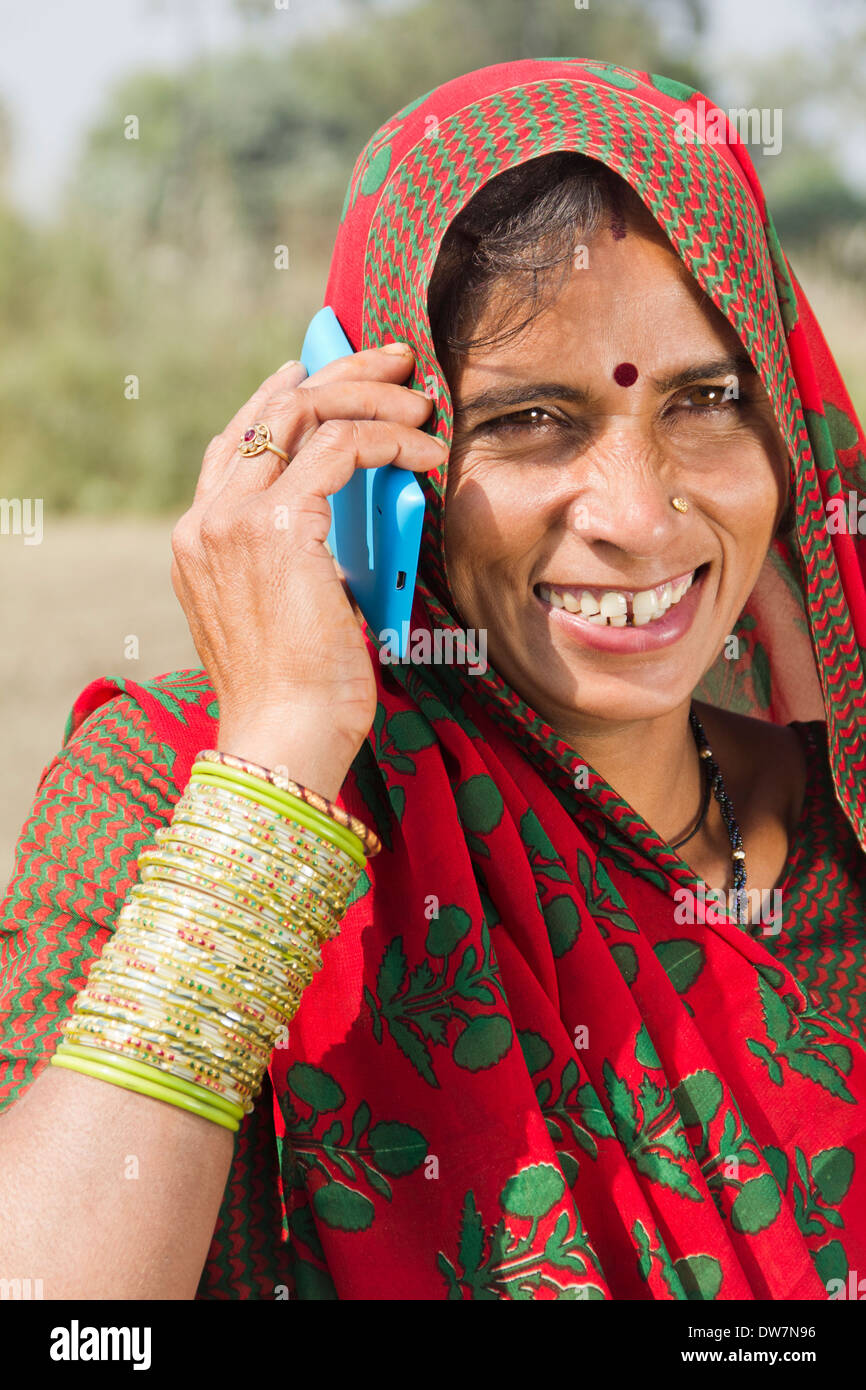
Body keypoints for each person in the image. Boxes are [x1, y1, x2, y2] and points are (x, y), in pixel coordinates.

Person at [1, 56, 865, 1302]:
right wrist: (287, 739)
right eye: (528, 419)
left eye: (705, 402)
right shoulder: (180, 789)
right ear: (379, 454)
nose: (635, 514)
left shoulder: (834, 846)